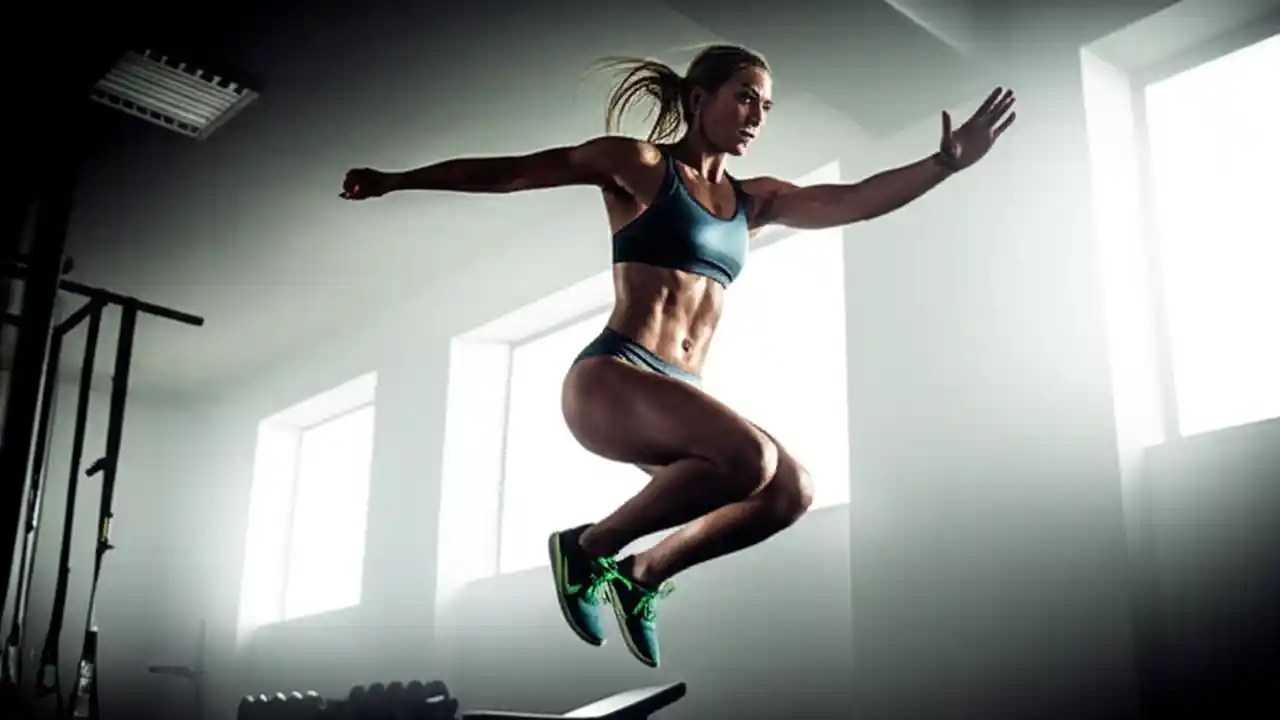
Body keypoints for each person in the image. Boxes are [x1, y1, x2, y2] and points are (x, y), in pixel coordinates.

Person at [341, 44, 1017, 667]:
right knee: (750, 458)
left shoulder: (753, 202)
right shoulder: (639, 166)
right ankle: (587, 548)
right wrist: (397, 179)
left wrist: (945, 163)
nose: (756, 116)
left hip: (674, 394)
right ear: (699, 99)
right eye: (745, 97)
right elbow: (515, 173)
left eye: (766, 106)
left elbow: (856, 202)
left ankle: (643, 577)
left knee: (790, 491)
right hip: (613, 378)